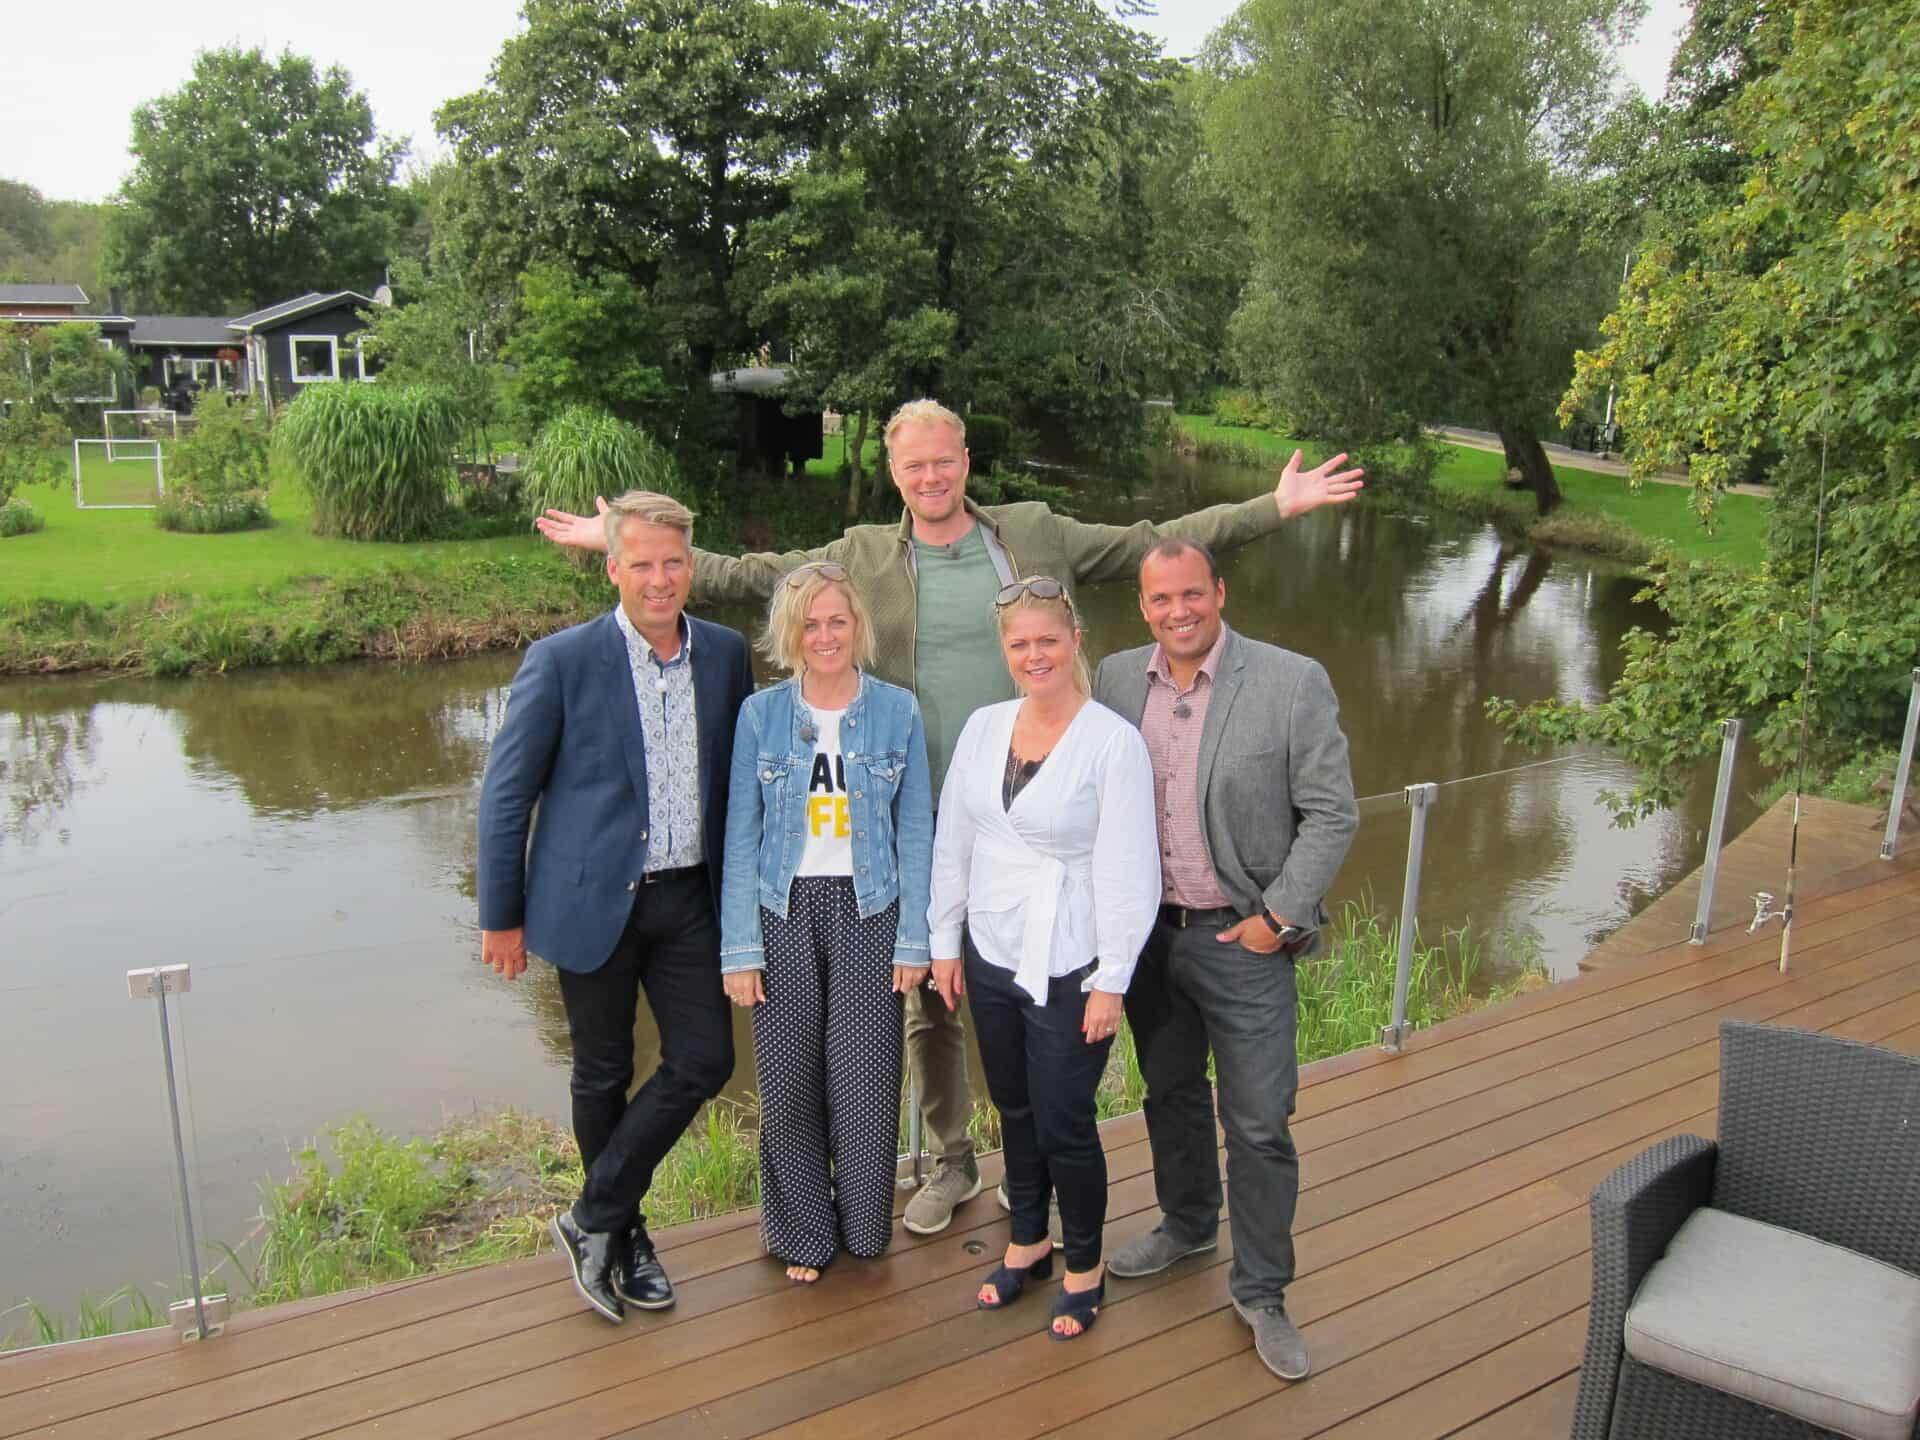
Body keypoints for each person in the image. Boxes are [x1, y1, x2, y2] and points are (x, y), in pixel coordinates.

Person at [536, 399, 1364, 1238]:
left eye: (944, 461)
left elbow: (1154, 537)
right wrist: (628, 550)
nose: (930, 478)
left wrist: (1274, 507)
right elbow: (760, 573)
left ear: (966, 461)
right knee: (932, 995)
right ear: (896, 476)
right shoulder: (863, 552)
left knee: (1048, 986)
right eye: (912, 467)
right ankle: (950, 1156)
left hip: (1040, 810)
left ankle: (1033, 1161)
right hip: (921, 809)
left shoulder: (1033, 533)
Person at [476, 490, 754, 1323]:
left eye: (673, 563)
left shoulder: (728, 653)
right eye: (642, 564)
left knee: (704, 1060)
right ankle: (624, 1235)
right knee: (600, 1070)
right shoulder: (561, 660)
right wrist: (501, 913)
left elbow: (739, 782)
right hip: (589, 900)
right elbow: (506, 792)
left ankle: (589, 1214)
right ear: (613, 568)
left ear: (691, 567)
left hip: (689, 900)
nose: (659, 579)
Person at [1093, 538, 1359, 1381]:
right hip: (1148, 939)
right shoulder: (1112, 679)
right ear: (1143, 606)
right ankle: (1186, 1224)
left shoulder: (1290, 681)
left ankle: (1263, 1290)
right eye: (1162, 599)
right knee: (1169, 1094)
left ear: (1220, 592)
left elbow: (1331, 813)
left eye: (1193, 595)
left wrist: (1278, 915)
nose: (1179, 612)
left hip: (1241, 939)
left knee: (1257, 1121)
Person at [928, 577, 1160, 1340]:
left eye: (1048, 642)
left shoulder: (1110, 741)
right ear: (1006, 651)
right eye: (1020, 644)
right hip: (990, 951)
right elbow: (954, 841)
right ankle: (1027, 1240)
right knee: (1014, 1107)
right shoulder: (984, 727)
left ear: (1074, 642)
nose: (1035, 656)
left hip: (1071, 962)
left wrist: (1113, 981)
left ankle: (1085, 1264)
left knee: (1064, 1118)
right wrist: (944, 940)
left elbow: (1131, 868)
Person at [718, 562, 934, 1283]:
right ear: (791, 633)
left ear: (858, 626)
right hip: (781, 911)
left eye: (837, 620)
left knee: (866, 1077)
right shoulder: (762, 715)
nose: (825, 635)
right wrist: (739, 950)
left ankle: (865, 1222)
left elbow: (916, 832)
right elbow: (740, 838)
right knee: (785, 1084)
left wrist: (915, 940)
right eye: (810, 624)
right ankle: (804, 1232)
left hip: (872, 909)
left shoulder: (898, 711)